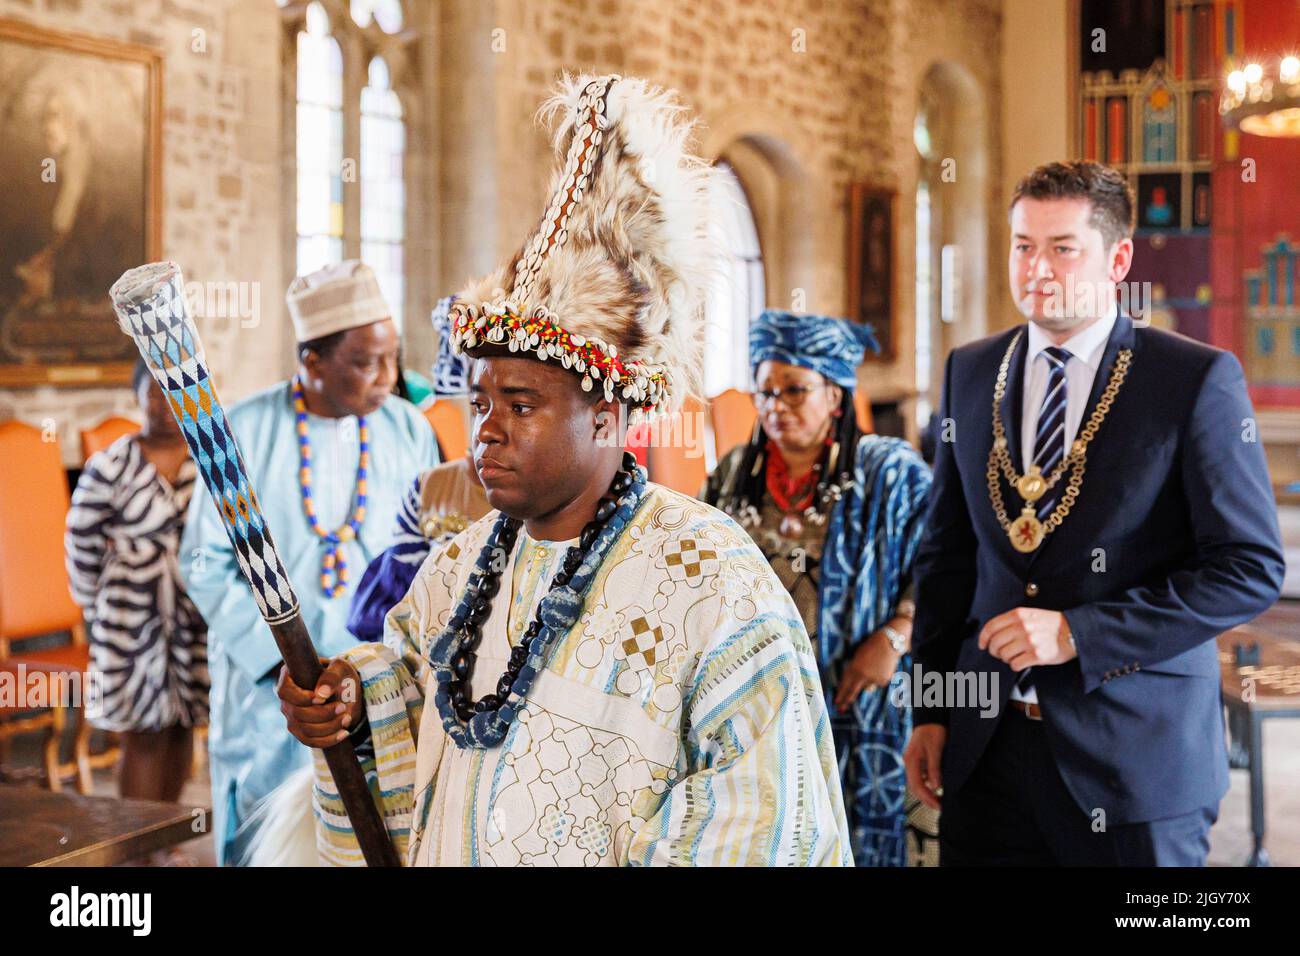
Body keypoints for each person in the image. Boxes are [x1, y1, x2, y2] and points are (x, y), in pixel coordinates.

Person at [275, 74, 850, 866]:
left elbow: (763, 815)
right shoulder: (457, 568)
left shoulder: (711, 580)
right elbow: (402, 694)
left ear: (610, 416)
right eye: (480, 402)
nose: (487, 429)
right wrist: (346, 698)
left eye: (520, 403)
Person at [904, 161, 1285, 866]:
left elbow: (1250, 568)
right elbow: (947, 556)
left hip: (1135, 761)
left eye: (1062, 247)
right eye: (1023, 245)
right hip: (986, 750)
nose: (1037, 269)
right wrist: (930, 706)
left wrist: (1082, 633)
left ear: (1118, 259)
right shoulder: (970, 370)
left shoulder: (1192, 380)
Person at [180, 260, 438, 864]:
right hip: (271, 691)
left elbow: (428, 556)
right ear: (312, 361)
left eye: (392, 358)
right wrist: (281, 664)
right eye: (365, 361)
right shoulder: (242, 430)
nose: (386, 377)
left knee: (361, 832)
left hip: (370, 688)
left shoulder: (408, 430)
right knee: (262, 837)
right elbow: (202, 563)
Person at [703, 310, 931, 866]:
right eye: (765, 392)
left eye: (794, 390)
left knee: (858, 833)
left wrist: (897, 635)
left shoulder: (890, 471)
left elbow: (944, 562)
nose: (775, 406)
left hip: (859, 691)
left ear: (835, 394)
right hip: (760, 698)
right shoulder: (735, 473)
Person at [65, 359, 208, 804]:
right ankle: (136, 852)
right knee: (142, 735)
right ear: (137, 396)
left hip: (195, 614)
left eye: (175, 394)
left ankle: (167, 841)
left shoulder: (208, 463)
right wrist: (94, 604)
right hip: (129, 616)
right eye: (154, 393)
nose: (165, 405)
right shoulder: (108, 465)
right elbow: (81, 540)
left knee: (184, 726)